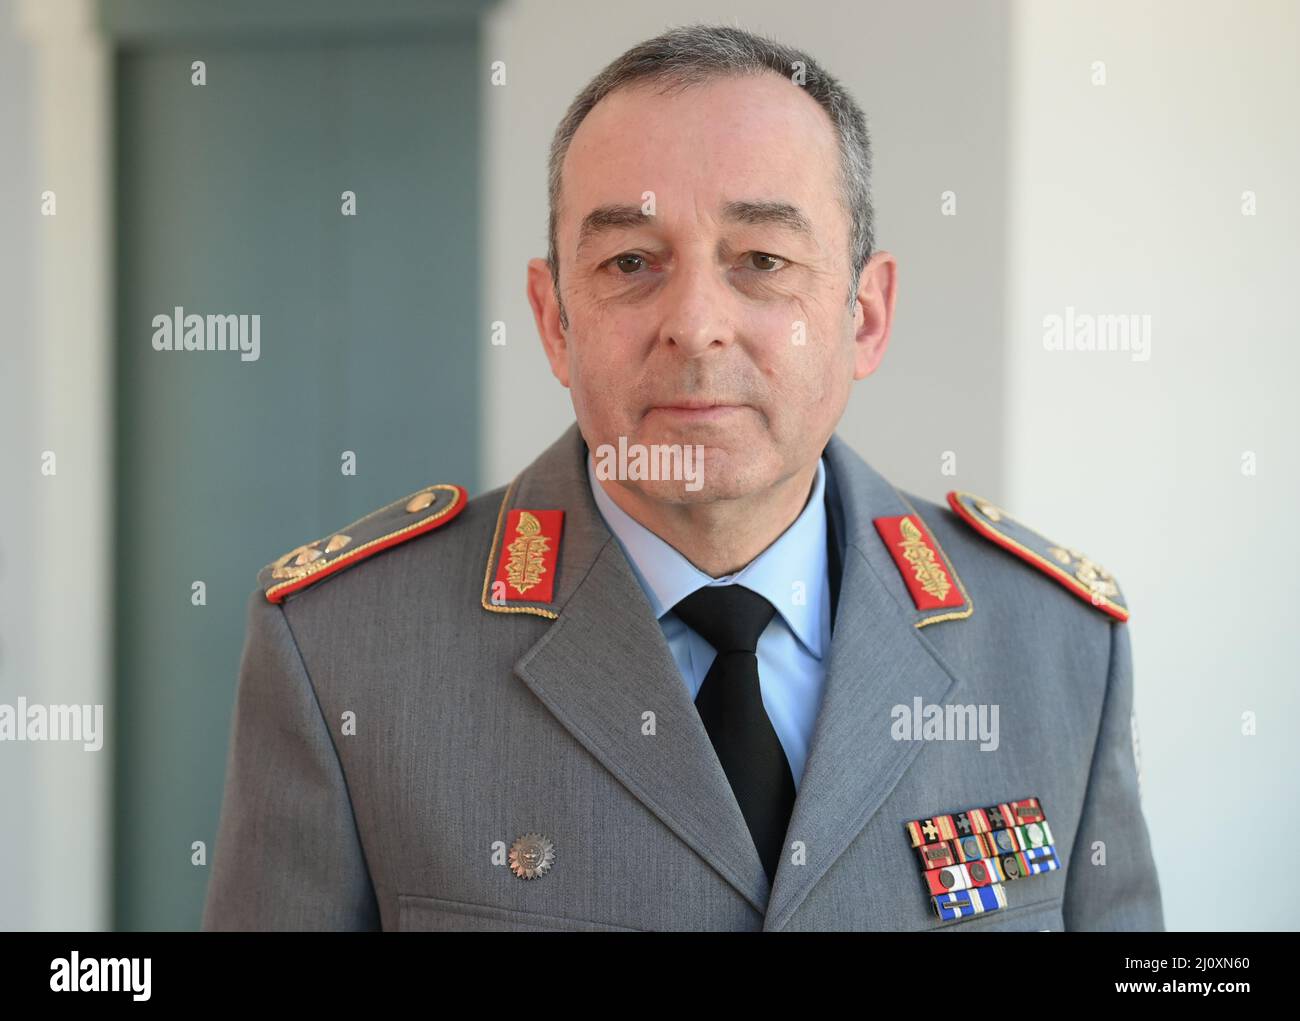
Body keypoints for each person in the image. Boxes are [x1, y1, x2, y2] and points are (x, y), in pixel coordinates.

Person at [202, 24, 1162, 931]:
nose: (696, 323)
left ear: (863, 317)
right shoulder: (342, 649)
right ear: (553, 320)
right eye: (630, 261)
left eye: (762, 260)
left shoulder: (1054, 644)